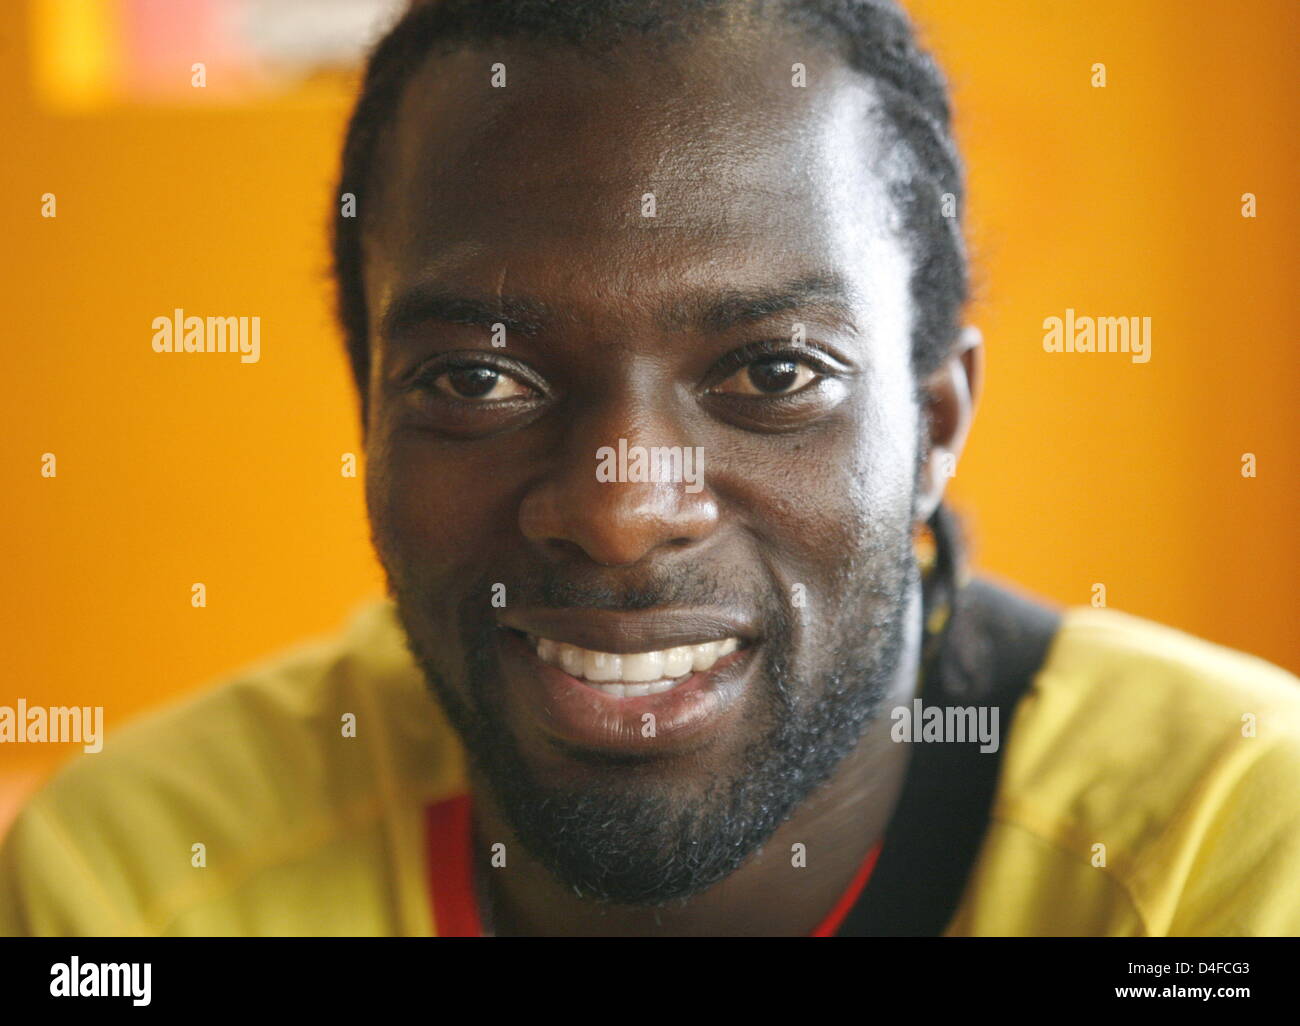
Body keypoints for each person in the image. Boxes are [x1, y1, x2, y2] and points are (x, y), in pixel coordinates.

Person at [3, 0, 1297, 937]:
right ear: (371, 416)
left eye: (776, 373)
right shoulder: (140, 884)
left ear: (937, 421)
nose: (620, 512)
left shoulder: (1235, 843)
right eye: (473, 380)